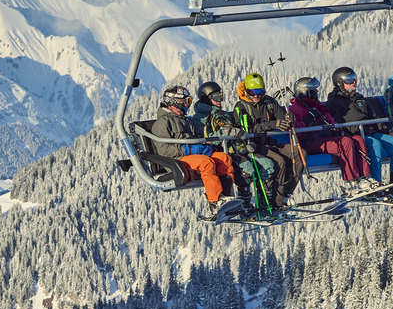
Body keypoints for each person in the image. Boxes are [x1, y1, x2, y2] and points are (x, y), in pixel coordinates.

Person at [327, 66, 393, 197]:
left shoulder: (359, 99)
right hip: (356, 136)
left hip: (370, 131)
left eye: (354, 78)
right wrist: (352, 129)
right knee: (374, 145)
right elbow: (336, 124)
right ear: (339, 82)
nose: (354, 82)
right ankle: (374, 185)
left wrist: (390, 133)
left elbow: (375, 118)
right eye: (349, 80)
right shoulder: (334, 103)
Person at [153, 84, 236, 212]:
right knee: (206, 163)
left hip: (191, 156)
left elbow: (197, 137)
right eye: (187, 101)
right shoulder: (163, 123)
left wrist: (206, 147)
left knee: (223, 158)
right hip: (176, 160)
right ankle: (215, 201)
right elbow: (164, 150)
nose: (188, 105)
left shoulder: (185, 120)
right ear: (177, 102)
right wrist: (188, 150)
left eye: (189, 101)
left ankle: (227, 197)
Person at [232, 72, 302, 213]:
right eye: (252, 92)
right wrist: (271, 125)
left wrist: (289, 119)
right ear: (246, 91)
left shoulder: (269, 102)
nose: (256, 96)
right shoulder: (241, 107)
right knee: (280, 161)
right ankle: (276, 202)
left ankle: (285, 194)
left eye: (260, 91)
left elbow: (282, 118)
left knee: (300, 154)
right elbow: (244, 130)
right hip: (255, 146)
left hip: (271, 143)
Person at [286, 76, 372, 184]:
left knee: (358, 139)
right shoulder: (295, 109)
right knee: (345, 143)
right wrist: (309, 120)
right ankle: (352, 180)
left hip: (325, 137)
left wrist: (334, 126)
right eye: (313, 90)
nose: (316, 92)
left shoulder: (317, 106)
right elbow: (298, 132)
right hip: (309, 142)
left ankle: (365, 177)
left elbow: (332, 122)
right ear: (305, 92)